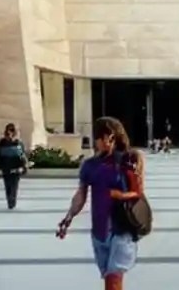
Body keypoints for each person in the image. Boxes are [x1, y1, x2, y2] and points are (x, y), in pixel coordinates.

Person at [58, 117, 145, 290]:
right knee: (109, 279)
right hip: (99, 230)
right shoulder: (89, 165)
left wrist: (120, 195)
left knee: (113, 279)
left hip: (122, 229)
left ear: (110, 137)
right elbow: (80, 195)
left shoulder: (130, 159)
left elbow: (138, 192)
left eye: (100, 137)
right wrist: (68, 217)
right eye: (98, 138)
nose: (98, 142)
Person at [0, 123, 27, 210]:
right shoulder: (2, 142)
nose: (9, 132)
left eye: (12, 130)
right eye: (8, 130)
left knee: (14, 185)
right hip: (6, 167)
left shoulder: (18, 143)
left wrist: (24, 166)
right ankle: (10, 201)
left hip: (16, 167)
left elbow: (22, 156)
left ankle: (12, 201)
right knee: (7, 185)